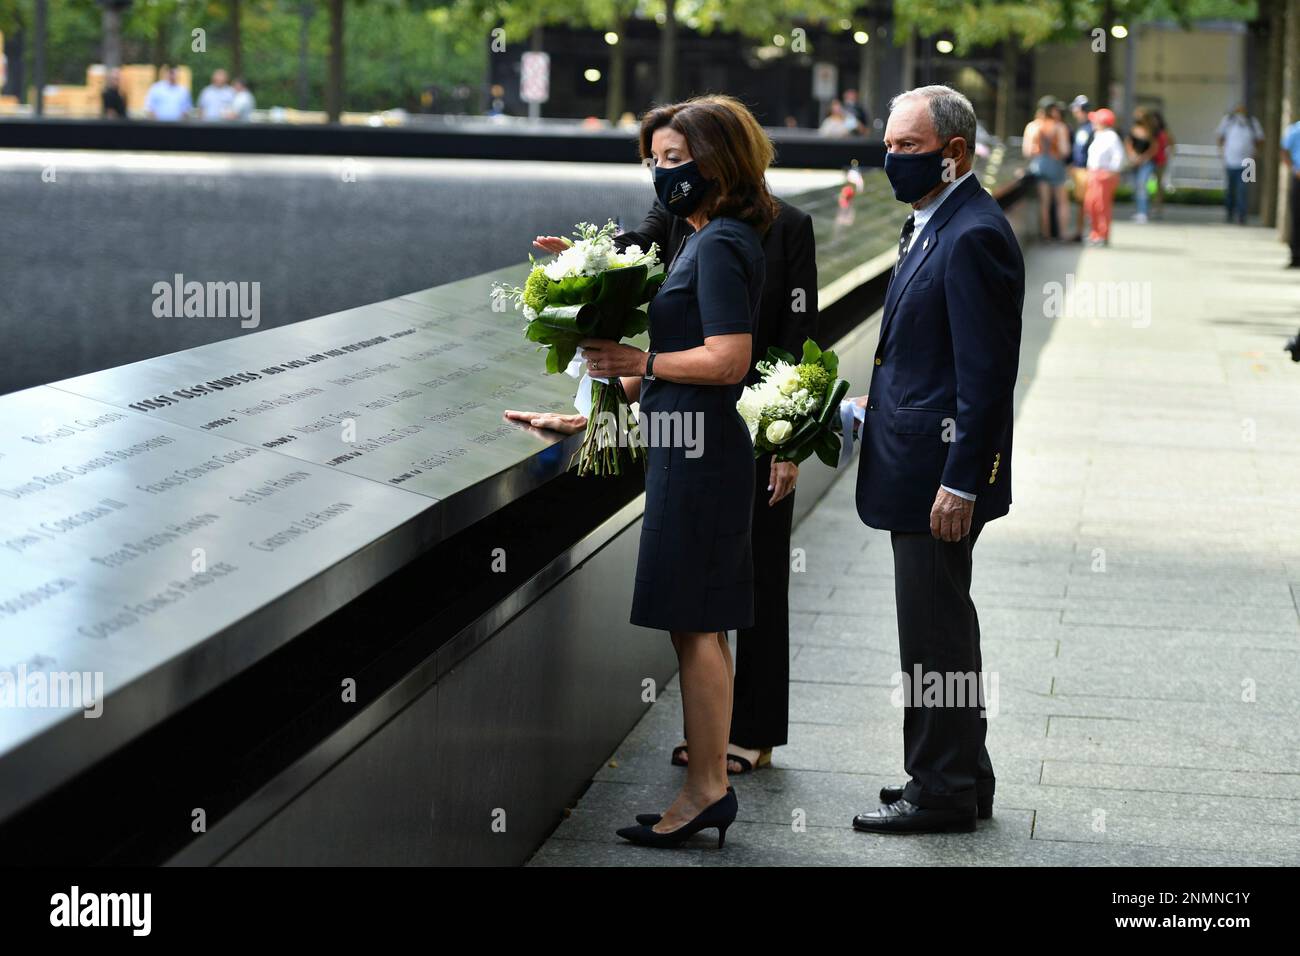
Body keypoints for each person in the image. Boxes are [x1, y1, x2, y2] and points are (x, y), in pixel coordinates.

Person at [515, 95, 777, 849]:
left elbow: (728, 360)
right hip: (686, 447)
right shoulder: (701, 238)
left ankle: (706, 790)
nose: (662, 174)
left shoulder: (719, 244)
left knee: (695, 629)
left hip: (700, 458)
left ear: (717, 162)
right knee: (698, 627)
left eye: (675, 160)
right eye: (654, 161)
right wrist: (596, 408)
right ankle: (707, 785)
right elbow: (674, 364)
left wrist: (641, 359)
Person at [844, 84, 1024, 835]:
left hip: (937, 478)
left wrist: (960, 482)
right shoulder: (934, 220)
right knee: (943, 625)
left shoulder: (973, 232)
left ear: (954, 153)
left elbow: (986, 377)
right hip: (916, 461)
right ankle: (962, 774)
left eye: (908, 147)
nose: (892, 159)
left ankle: (940, 788)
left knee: (932, 635)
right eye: (888, 145)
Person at [1022, 96, 1071, 240]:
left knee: (1044, 203)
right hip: (1056, 165)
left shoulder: (1032, 126)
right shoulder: (1060, 127)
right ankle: (1062, 234)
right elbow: (1065, 151)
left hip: (1039, 165)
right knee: (1062, 202)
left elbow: (1027, 151)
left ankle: (1046, 235)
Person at [1217, 103, 1263, 225]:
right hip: (1230, 161)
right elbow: (1220, 136)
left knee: (1243, 190)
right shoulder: (1228, 121)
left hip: (1248, 162)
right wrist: (1222, 152)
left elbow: (1260, 139)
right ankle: (1229, 213)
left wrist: (1256, 153)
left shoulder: (1253, 122)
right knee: (1230, 189)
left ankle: (1242, 215)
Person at [1085, 108, 1124, 246]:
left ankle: (1103, 235)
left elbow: (1118, 157)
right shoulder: (1098, 135)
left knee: (1101, 206)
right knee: (1091, 205)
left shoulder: (1111, 136)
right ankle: (1095, 233)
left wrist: (1109, 173)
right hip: (1094, 174)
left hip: (1103, 175)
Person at [1067, 95, 1094, 241]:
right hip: (1079, 169)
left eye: (1076, 109)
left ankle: (1088, 232)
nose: (1074, 112)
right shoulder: (1082, 127)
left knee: (1087, 203)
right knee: (1081, 203)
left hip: (1086, 169)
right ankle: (1080, 232)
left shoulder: (1091, 128)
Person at [1126, 107, 1158, 223]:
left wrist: (1143, 158)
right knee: (1135, 186)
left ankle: (1143, 212)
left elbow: (1154, 147)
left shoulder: (1151, 131)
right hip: (1135, 161)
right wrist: (1132, 155)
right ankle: (1139, 210)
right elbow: (1128, 143)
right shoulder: (1133, 129)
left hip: (1146, 162)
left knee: (1142, 185)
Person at [1282, 116, 1300, 267]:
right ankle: (1295, 256)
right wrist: (1294, 169)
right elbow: (1284, 151)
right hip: (1298, 178)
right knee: (1297, 219)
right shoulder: (1296, 129)